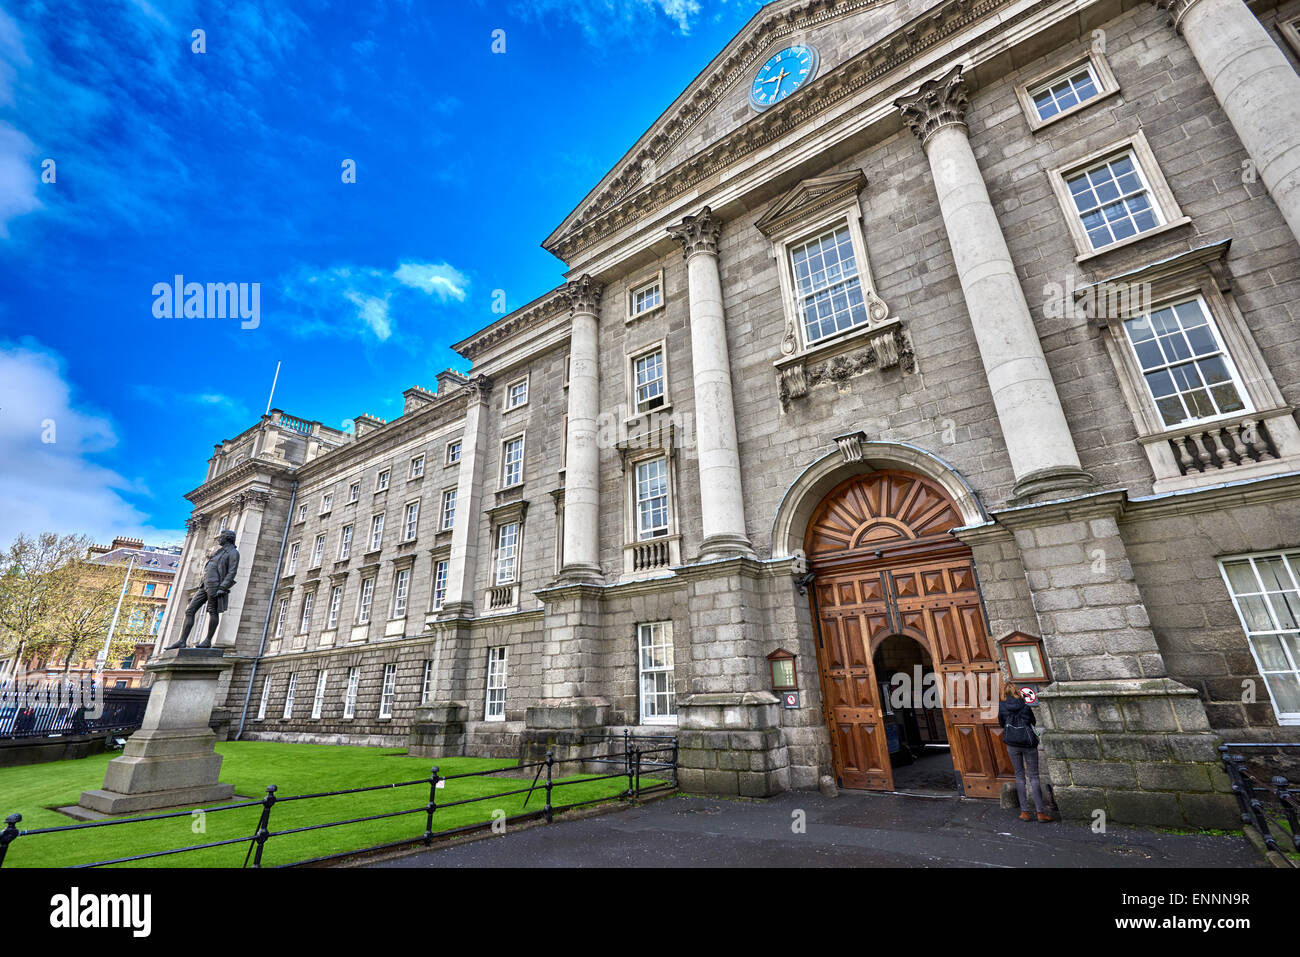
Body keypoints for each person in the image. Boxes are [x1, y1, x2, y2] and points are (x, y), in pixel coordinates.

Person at [168, 529, 240, 650]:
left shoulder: (233, 552)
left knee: (213, 611)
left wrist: (223, 587)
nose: (219, 539)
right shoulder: (220, 552)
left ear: (227, 538)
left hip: (216, 586)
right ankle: (182, 641)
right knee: (189, 610)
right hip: (204, 585)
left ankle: (207, 640)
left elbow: (232, 571)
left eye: (221, 537)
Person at [999, 680, 1051, 822]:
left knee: (1020, 776)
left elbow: (1001, 723)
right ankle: (1040, 813)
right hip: (1028, 743)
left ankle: (1025, 812)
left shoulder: (1002, 706)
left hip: (1012, 744)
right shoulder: (1024, 705)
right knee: (1034, 776)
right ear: (1017, 691)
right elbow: (1032, 722)